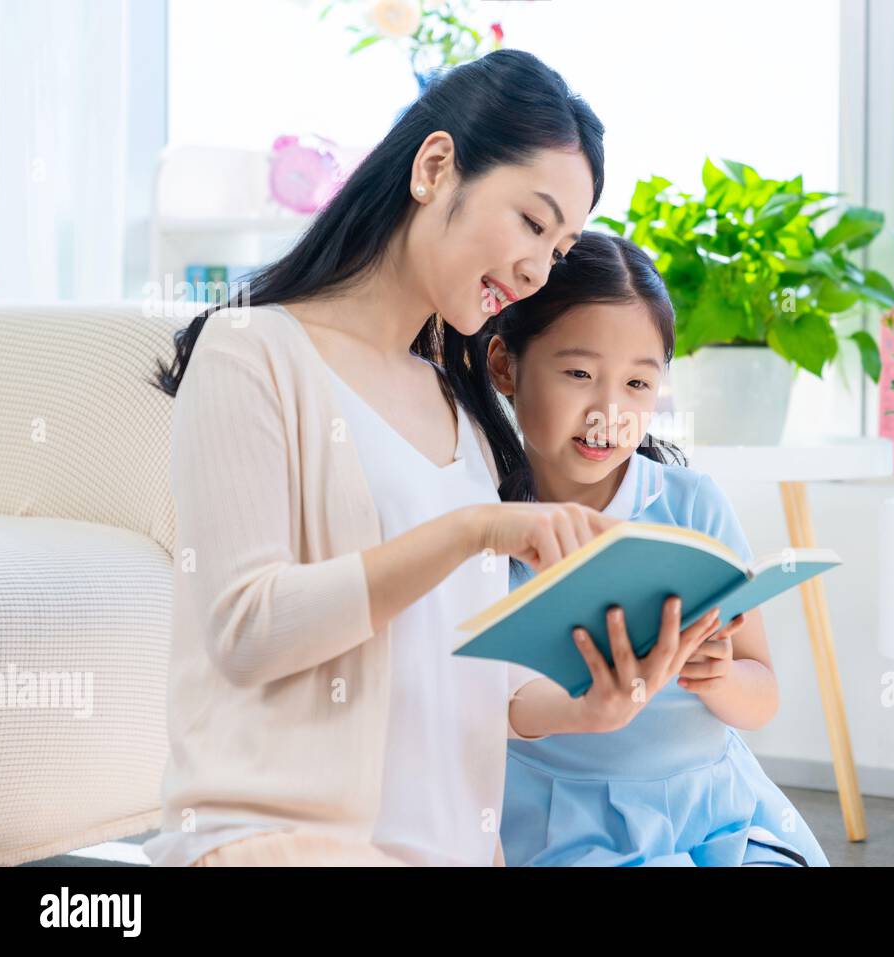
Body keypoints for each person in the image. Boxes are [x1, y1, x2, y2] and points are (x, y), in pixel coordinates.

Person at [143, 50, 713, 867]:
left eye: (559, 248)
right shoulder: (250, 352)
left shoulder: (462, 409)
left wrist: (594, 704)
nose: (536, 267)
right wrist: (471, 531)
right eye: (531, 221)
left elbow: (486, 681)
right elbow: (248, 628)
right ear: (436, 166)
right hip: (278, 843)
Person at [486, 231, 830, 866]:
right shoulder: (486, 522)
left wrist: (720, 678)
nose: (608, 411)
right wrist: (593, 706)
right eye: (579, 374)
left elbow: (762, 694)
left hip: (715, 809)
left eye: (638, 385)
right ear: (506, 365)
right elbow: (486, 708)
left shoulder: (691, 504)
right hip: (569, 820)